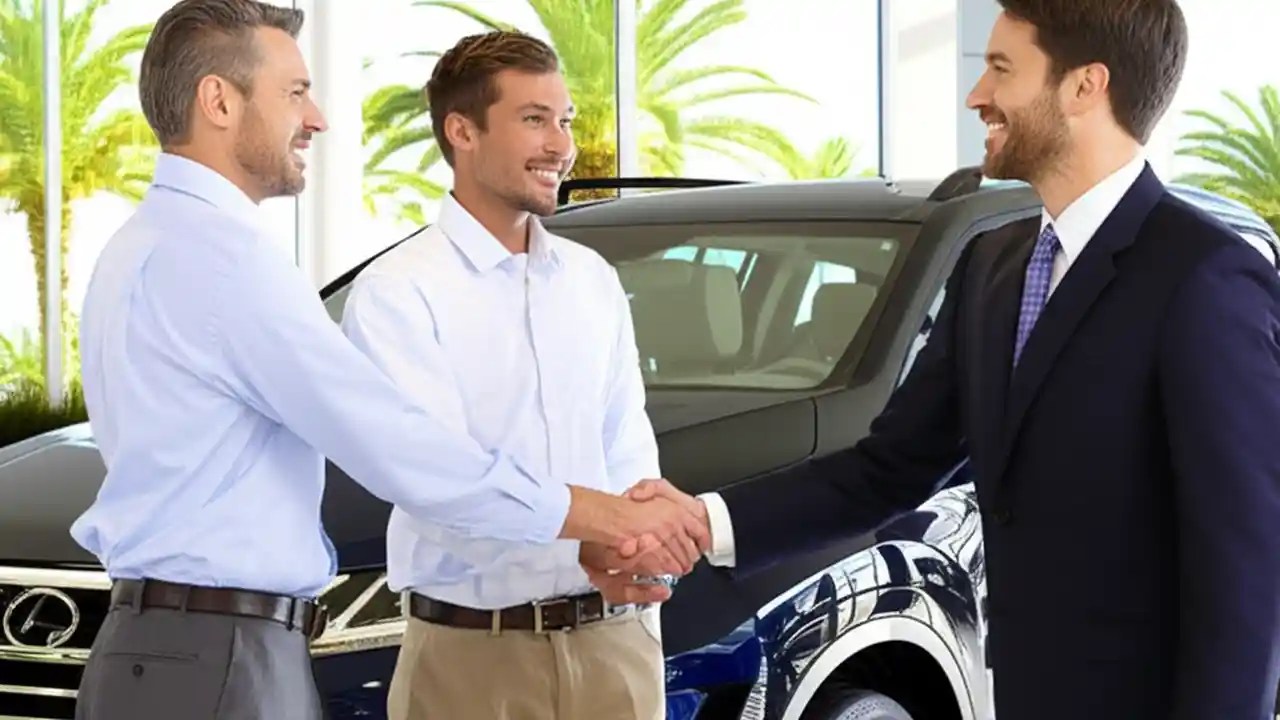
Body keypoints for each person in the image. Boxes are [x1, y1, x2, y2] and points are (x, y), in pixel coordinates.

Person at [632, 1, 1280, 719]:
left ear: (1084, 86)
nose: (977, 95)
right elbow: (889, 468)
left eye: (1001, 68)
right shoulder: (992, 266)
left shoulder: (1204, 275)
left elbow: (1245, 572)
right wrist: (705, 520)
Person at [70, 3, 706, 719]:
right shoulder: (228, 260)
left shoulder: (143, 243)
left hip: (173, 646)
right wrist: (602, 518)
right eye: (295, 92)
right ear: (218, 101)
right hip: (220, 653)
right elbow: (399, 448)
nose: (316, 119)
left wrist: (607, 532)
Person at [339, 30, 677, 720]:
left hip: (616, 647)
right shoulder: (397, 294)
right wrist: (598, 525)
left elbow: (625, 439)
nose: (561, 145)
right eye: (534, 119)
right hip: (472, 662)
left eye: (564, 121)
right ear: (462, 131)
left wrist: (638, 543)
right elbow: (438, 478)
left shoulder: (591, 280)